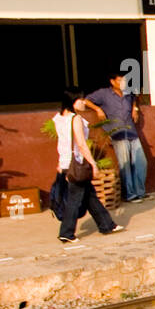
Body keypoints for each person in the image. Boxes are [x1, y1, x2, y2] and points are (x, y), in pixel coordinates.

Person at [54, 90, 123, 242]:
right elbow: (81, 144)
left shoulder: (59, 118)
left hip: (66, 163)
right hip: (77, 163)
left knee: (90, 196)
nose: (84, 102)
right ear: (72, 101)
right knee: (74, 199)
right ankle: (66, 232)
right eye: (80, 99)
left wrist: (60, 162)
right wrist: (93, 164)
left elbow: (62, 143)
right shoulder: (75, 119)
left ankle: (107, 225)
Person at [77, 67, 148, 202]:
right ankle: (130, 195)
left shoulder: (128, 93)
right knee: (125, 165)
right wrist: (98, 109)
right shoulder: (104, 94)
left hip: (132, 133)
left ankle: (140, 192)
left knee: (141, 163)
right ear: (113, 82)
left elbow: (134, 97)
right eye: (120, 80)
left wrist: (135, 108)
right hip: (118, 134)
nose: (124, 83)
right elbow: (86, 100)